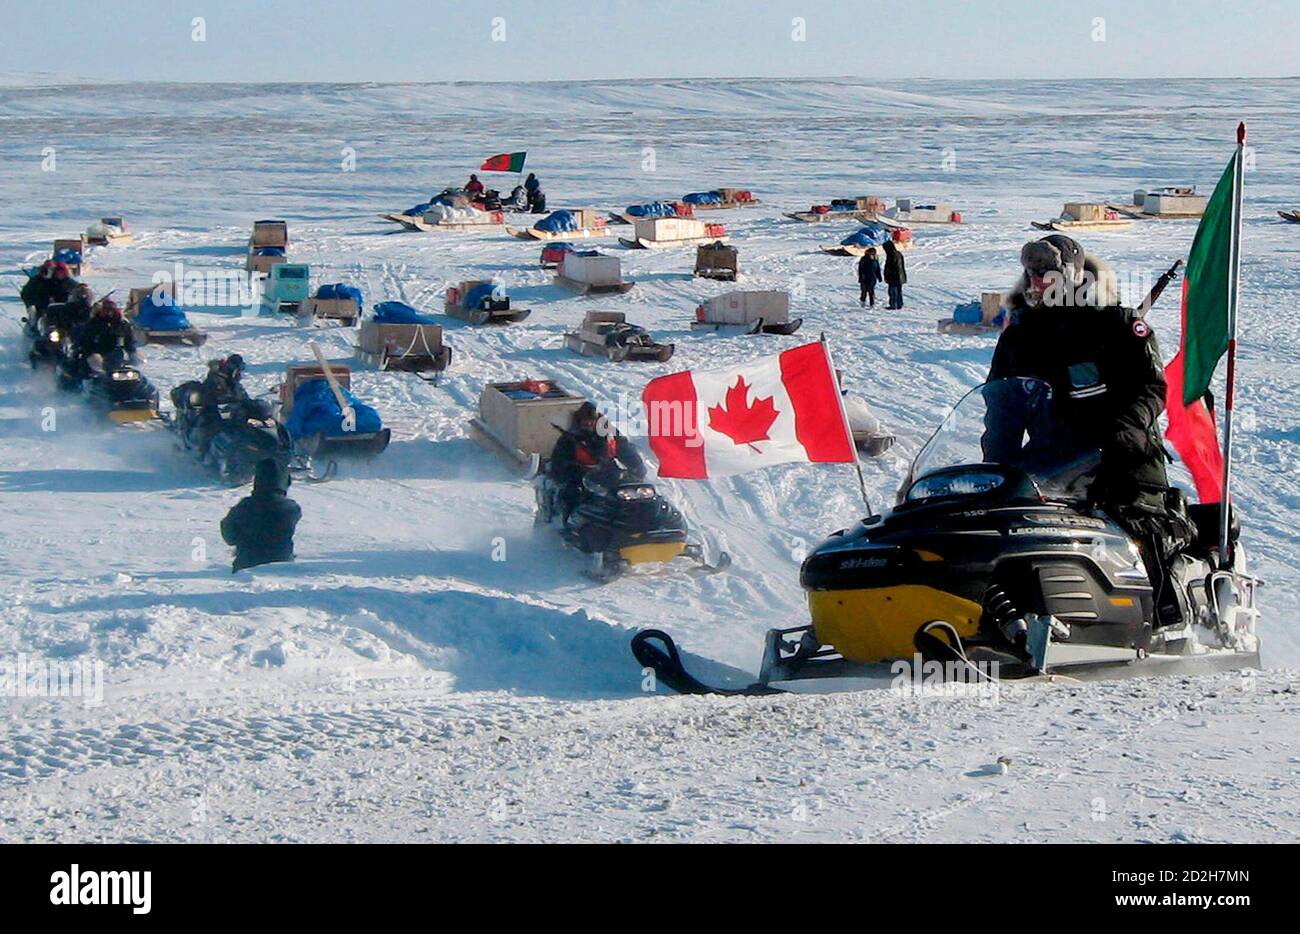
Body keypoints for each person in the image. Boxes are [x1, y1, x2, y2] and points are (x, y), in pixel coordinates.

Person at [987, 234, 1188, 628]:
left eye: (1043, 271)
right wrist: (996, 462)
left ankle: (1167, 620)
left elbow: (1153, 388)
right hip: (1050, 463)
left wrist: (1126, 429)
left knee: (1137, 524)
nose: (1034, 280)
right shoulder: (1019, 337)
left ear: (1069, 275)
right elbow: (1001, 405)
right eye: (1029, 271)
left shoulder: (1116, 324)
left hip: (1119, 456)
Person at [546, 402, 645, 521]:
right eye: (585, 420)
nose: (588, 423)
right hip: (579, 477)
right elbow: (558, 461)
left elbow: (625, 449)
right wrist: (572, 471)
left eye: (591, 419)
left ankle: (637, 519)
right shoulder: (568, 439)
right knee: (572, 495)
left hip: (608, 473)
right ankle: (569, 524)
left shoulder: (610, 435)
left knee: (633, 491)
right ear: (579, 420)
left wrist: (636, 467)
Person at [220, 458, 302, 572]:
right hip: (282, 565)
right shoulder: (292, 508)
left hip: (246, 565)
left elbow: (229, 535)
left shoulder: (244, 506)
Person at [197, 354, 251, 456]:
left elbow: (241, 395)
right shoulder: (215, 378)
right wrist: (224, 400)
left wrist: (250, 403)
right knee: (213, 426)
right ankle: (205, 453)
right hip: (213, 410)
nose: (240, 372)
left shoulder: (234, 381)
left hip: (230, 411)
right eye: (239, 370)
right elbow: (210, 395)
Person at [882, 240, 907, 309]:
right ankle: (899, 304)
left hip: (893, 277)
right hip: (900, 276)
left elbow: (890, 267)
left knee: (893, 292)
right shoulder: (898, 253)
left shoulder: (891, 255)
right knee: (898, 291)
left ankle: (893, 305)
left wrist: (887, 276)